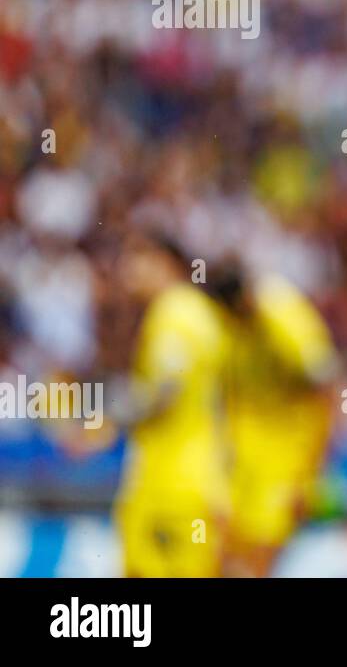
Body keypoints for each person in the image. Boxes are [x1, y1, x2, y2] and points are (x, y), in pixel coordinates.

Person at [114, 232, 232, 577]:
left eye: (136, 258)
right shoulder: (202, 312)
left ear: (164, 262)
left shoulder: (174, 313)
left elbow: (165, 391)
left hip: (172, 486)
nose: (126, 269)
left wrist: (106, 418)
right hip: (199, 478)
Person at [213, 264, 339, 578]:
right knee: (225, 556)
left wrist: (313, 473)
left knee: (260, 555)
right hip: (239, 459)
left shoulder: (286, 318)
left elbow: (327, 390)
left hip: (286, 460)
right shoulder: (222, 322)